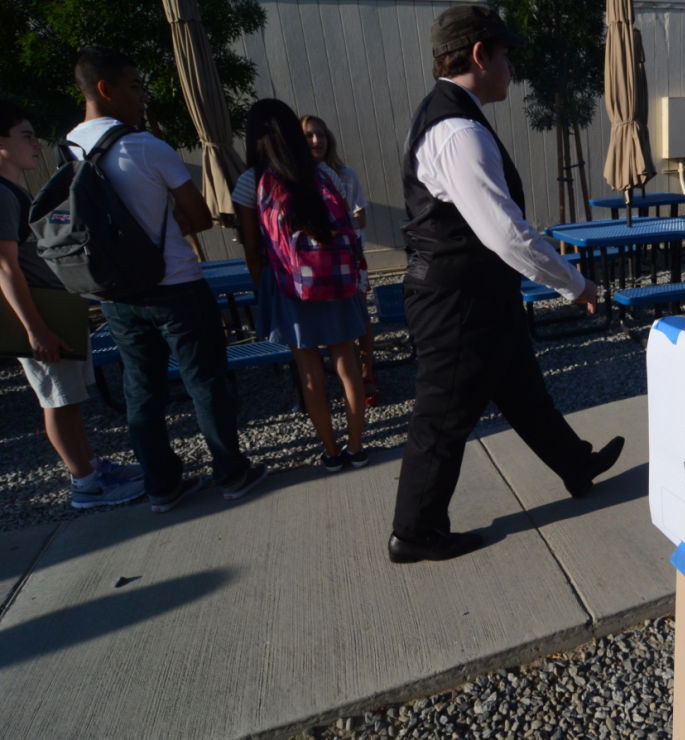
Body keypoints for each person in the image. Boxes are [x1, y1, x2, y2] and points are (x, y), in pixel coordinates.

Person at [388, 5, 625, 564]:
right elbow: (507, 235)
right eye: (505, 55)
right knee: (443, 416)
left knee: (523, 389)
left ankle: (575, 465)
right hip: (456, 301)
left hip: (478, 296)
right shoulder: (457, 131)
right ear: (479, 55)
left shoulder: (450, 118)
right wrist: (576, 285)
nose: (511, 68)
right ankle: (415, 532)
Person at [66, 47, 266, 513]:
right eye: (135, 86)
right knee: (205, 381)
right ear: (105, 89)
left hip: (115, 292)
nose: (143, 97)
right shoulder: (145, 146)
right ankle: (231, 473)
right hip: (175, 285)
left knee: (141, 389)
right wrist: (163, 222)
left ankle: (162, 485)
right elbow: (200, 216)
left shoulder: (67, 148)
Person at [0, 99, 144, 509]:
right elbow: (5, 268)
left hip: (54, 305)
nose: (37, 145)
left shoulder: (13, 191)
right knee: (58, 400)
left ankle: (91, 468)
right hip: (39, 309)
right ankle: (85, 484)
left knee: (71, 399)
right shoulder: (2, 195)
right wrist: (35, 329)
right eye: (26, 136)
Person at [232, 99, 368, 472]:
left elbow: (252, 251)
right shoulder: (321, 171)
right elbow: (346, 227)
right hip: (336, 279)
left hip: (290, 286)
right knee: (347, 364)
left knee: (309, 372)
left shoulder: (250, 181)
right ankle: (357, 448)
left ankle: (332, 453)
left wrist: (268, 288)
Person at [300, 114, 379, 407]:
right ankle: (347, 375)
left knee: (360, 313)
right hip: (315, 264)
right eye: (309, 135)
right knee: (334, 321)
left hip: (349, 256)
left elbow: (360, 217)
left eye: (320, 134)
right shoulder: (295, 178)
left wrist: (337, 223)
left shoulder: (344, 175)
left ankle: (367, 370)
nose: (316, 140)